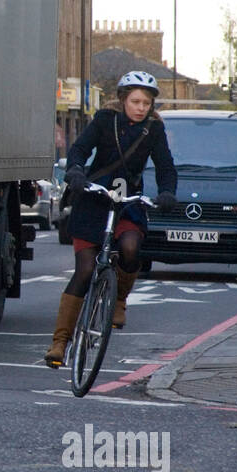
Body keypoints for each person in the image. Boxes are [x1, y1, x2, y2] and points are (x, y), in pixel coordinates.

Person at [45, 71, 178, 367]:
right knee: (85, 269)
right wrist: (76, 171)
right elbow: (80, 149)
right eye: (135, 101)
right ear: (122, 100)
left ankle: (119, 300)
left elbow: (165, 167)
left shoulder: (154, 130)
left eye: (146, 102)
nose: (141, 107)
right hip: (93, 199)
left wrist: (168, 191)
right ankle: (59, 343)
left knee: (131, 248)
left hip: (127, 203)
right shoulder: (105, 121)